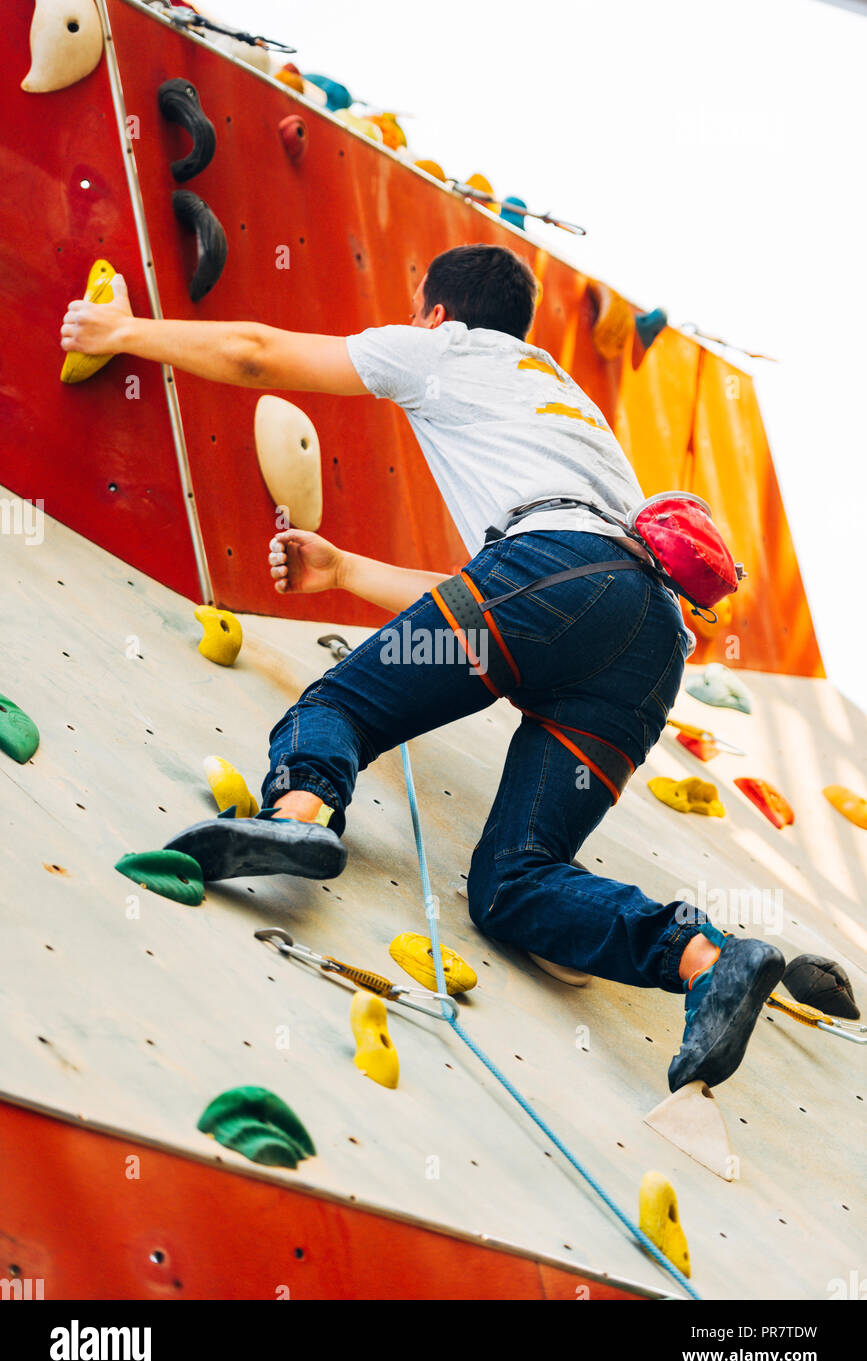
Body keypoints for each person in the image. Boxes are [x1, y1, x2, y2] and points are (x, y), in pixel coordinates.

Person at [60, 243, 784, 1090]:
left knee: (340, 707)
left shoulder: (446, 349)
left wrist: (121, 330)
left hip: (549, 584)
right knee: (515, 881)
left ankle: (299, 815)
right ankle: (705, 959)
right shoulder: (575, 416)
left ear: (434, 312)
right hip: (647, 643)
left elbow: (255, 353)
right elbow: (518, 601)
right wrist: (343, 570)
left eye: (414, 306)